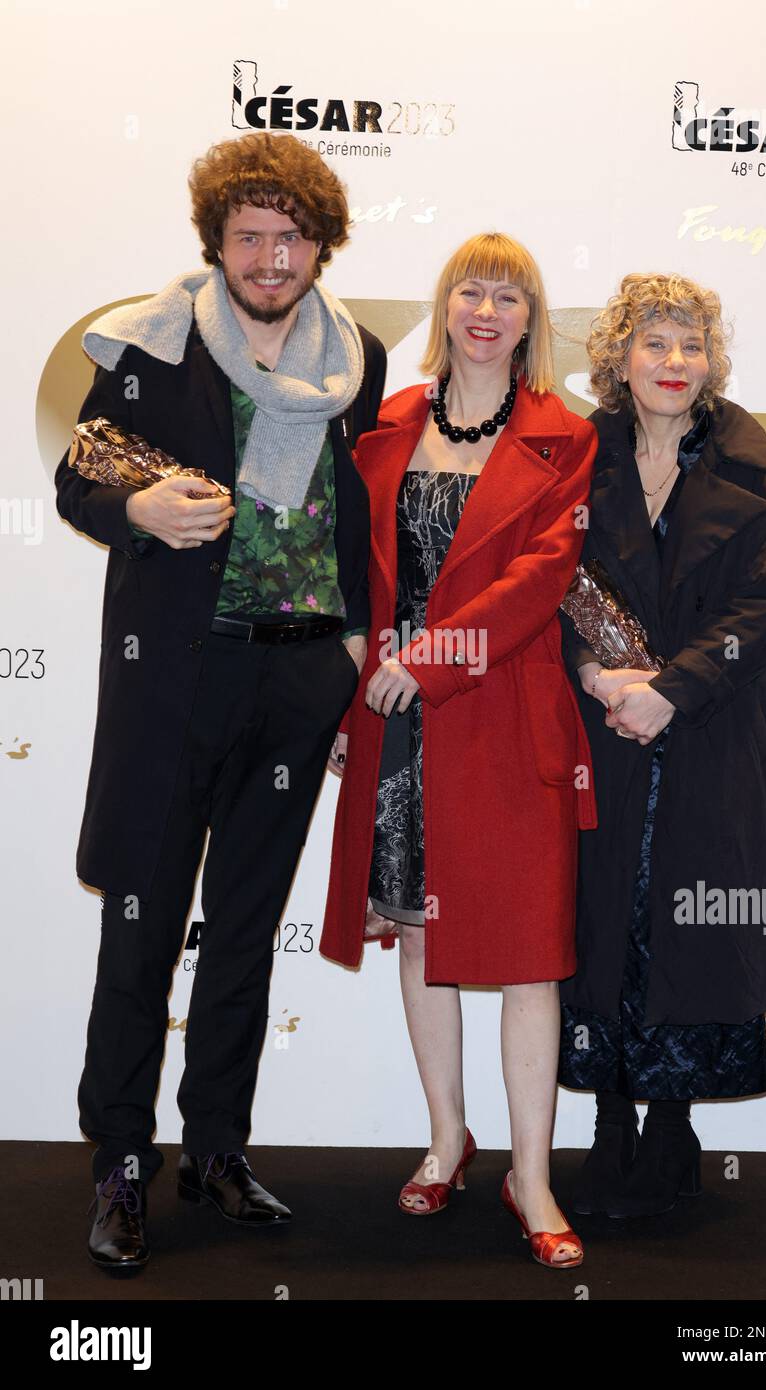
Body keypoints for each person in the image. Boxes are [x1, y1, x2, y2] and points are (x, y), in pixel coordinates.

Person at [54, 131, 386, 1270]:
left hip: (296, 678)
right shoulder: (159, 345)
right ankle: (118, 1164)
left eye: (289, 235)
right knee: (140, 930)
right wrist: (137, 507)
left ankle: (219, 1149)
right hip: (178, 677)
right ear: (219, 242)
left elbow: (359, 511)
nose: (268, 254)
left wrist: (346, 652)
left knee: (244, 929)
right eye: (247, 235)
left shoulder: (360, 357)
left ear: (318, 244)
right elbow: (80, 471)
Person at [320, 233, 597, 1269]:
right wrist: (361, 696)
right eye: (470, 291)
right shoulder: (384, 424)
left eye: (509, 296)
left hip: (506, 713)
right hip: (396, 722)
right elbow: (355, 570)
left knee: (529, 957)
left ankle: (532, 1175)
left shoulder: (565, 437)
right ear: (446, 307)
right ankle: (448, 1134)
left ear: (531, 319)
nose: (487, 309)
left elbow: (540, 581)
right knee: (425, 937)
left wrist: (428, 662)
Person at [556, 271, 766, 1218]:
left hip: (711, 730)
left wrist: (671, 690)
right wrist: (598, 674)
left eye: (690, 344)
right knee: (602, 913)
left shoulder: (749, 468)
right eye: (653, 342)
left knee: (695, 920)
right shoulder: (576, 460)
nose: (673, 361)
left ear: (711, 362)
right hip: (601, 727)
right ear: (618, 356)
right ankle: (609, 1127)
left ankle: (672, 1131)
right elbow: (545, 578)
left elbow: (765, 606)